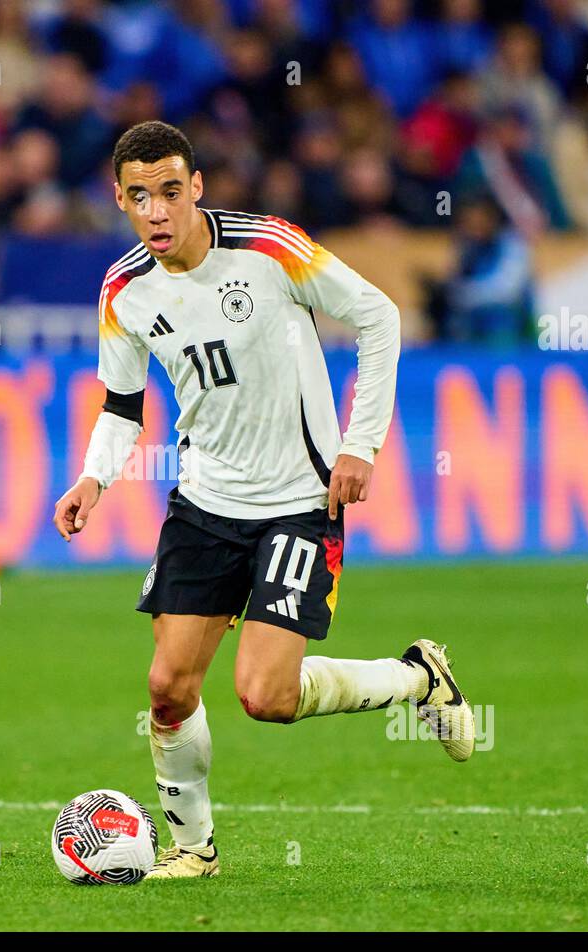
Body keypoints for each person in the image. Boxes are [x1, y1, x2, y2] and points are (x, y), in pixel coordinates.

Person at [51, 121, 475, 881]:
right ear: (118, 198)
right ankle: (192, 849)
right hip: (206, 504)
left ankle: (417, 676)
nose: (157, 211)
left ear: (197, 188)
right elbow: (122, 402)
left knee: (266, 697)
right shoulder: (124, 290)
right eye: (140, 196)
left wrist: (361, 443)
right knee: (167, 686)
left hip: (298, 504)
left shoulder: (270, 247)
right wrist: (94, 477)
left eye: (171, 192)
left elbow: (380, 316)